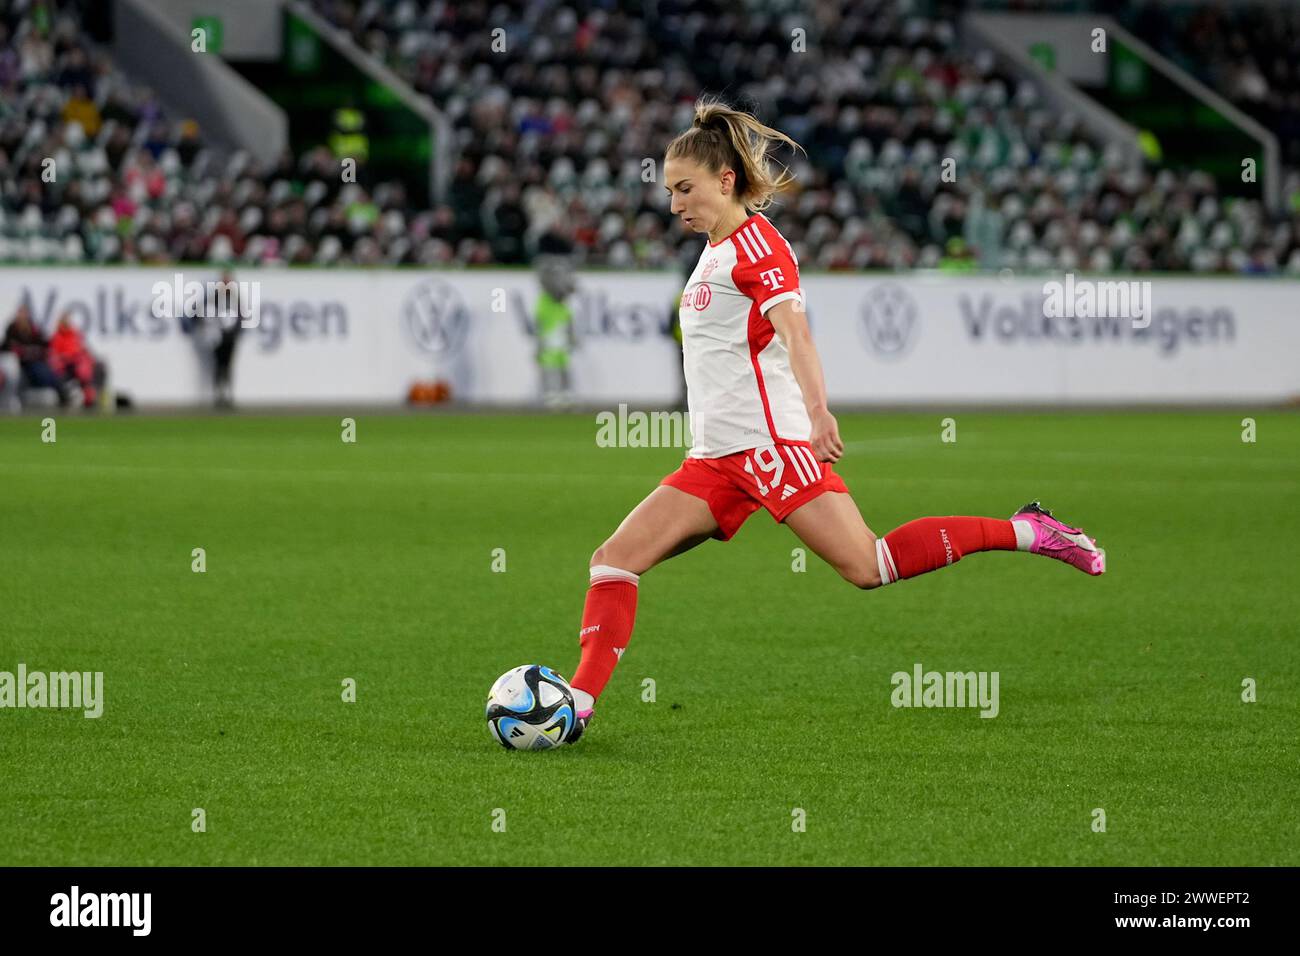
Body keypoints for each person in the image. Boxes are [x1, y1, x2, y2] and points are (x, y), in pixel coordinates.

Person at [562, 99, 1106, 744]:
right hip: (715, 460)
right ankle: (578, 704)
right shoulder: (713, 250)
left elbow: (797, 333)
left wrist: (818, 412)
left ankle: (1028, 530)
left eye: (685, 188)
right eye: (670, 191)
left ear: (725, 181)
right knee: (613, 561)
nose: (675, 203)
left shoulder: (760, 247)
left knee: (869, 566)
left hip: (772, 448)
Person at [3, 304, 71, 407]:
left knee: (48, 372)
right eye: (20, 313)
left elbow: (43, 344)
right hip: (22, 364)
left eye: (24, 314)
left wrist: (32, 351)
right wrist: (23, 351)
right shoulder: (12, 329)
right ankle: (63, 394)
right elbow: (7, 346)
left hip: (35, 361)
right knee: (40, 372)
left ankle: (63, 394)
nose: (22, 316)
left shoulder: (32, 328)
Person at [48, 312, 107, 409]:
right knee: (81, 369)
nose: (66, 322)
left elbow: (83, 350)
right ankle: (85, 396)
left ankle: (92, 396)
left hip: (79, 365)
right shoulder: (57, 337)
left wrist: (89, 359)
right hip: (66, 367)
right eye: (64, 320)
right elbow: (55, 357)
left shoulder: (75, 335)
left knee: (95, 368)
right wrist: (67, 359)